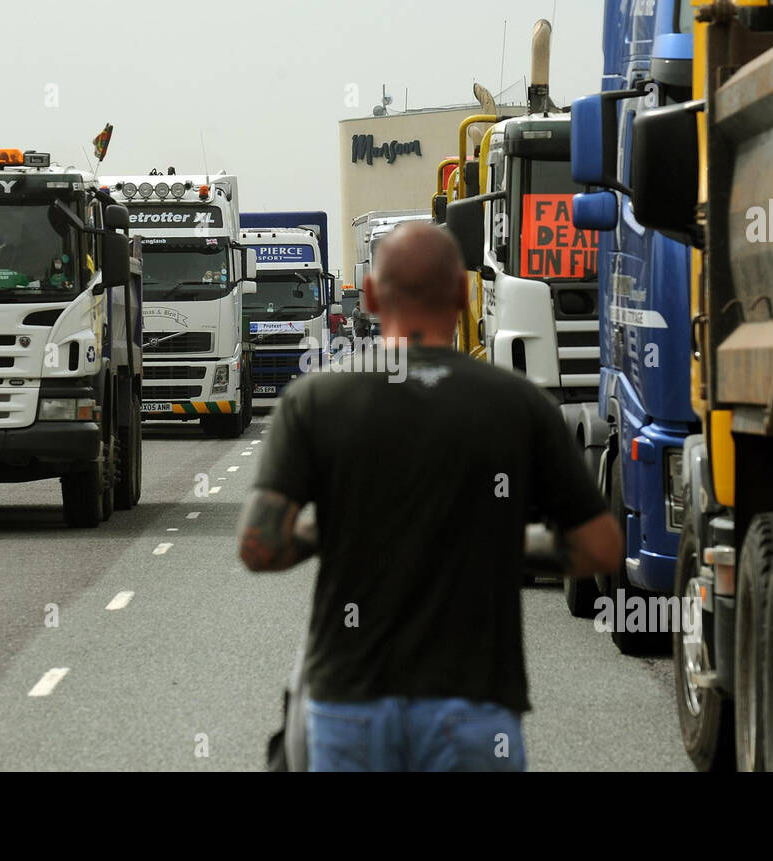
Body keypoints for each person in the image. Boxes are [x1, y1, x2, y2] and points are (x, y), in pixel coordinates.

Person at [236, 222, 622, 772]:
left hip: (349, 706)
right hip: (472, 709)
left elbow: (259, 545)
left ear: (369, 296)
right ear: (464, 295)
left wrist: (341, 527)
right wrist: (500, 541)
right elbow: (602, 549)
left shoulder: (316, 400)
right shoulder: (517, 404)